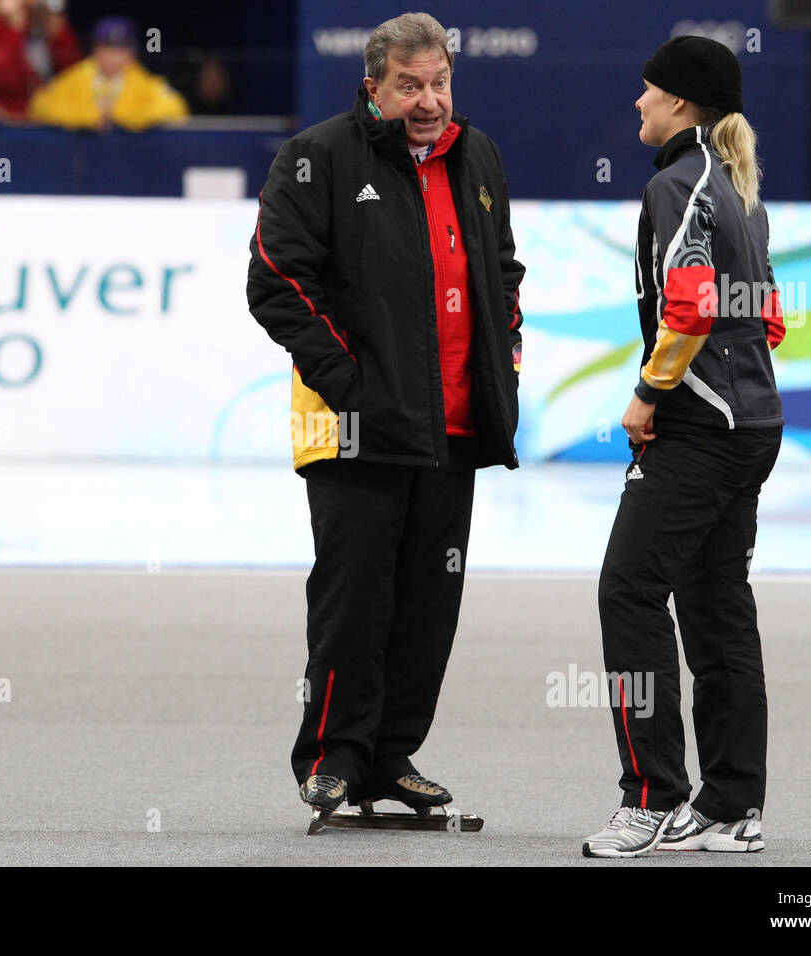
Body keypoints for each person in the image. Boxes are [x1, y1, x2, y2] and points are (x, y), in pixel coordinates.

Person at [246, 12, 526, 823]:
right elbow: (276, 281)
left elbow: (502, 272)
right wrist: (353, 385)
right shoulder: (316, 157)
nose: (428, 100)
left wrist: (503, 365)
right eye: (410, 86)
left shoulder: (478, 155)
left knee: (428, 603)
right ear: (373, 89)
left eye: (439, 83)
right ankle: (334, 755)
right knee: (355, 595)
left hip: (455, 425)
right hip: (355, 428)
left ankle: (390, 757)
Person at [582, 35, 786, 858]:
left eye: (648, 89)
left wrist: (646, 396)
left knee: (627, 591)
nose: (638, 101)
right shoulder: (741, 185)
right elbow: (767, 315)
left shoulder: (678, 183)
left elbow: (694, 307)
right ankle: (733, 806)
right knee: (717, 604)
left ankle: (651, 797)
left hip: (700, 429)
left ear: (679, 103)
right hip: (753, 425)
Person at [28, 15, 189, 132]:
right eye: (107, 49)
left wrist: (119, 115)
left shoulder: (143, 81)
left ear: (132, 53)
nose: (112, 57)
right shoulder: (77, 77)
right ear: (95, 50)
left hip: (131, 158)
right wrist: (90, 116)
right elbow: (41, 105)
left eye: (120, 50)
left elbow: (175, 108)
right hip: (79, 159)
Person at [0, 0, 81, 116]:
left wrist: (59, 37)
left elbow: (74, 75)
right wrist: (14, 28)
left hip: (53, 114)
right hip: (8, 115)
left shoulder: (57, 32)